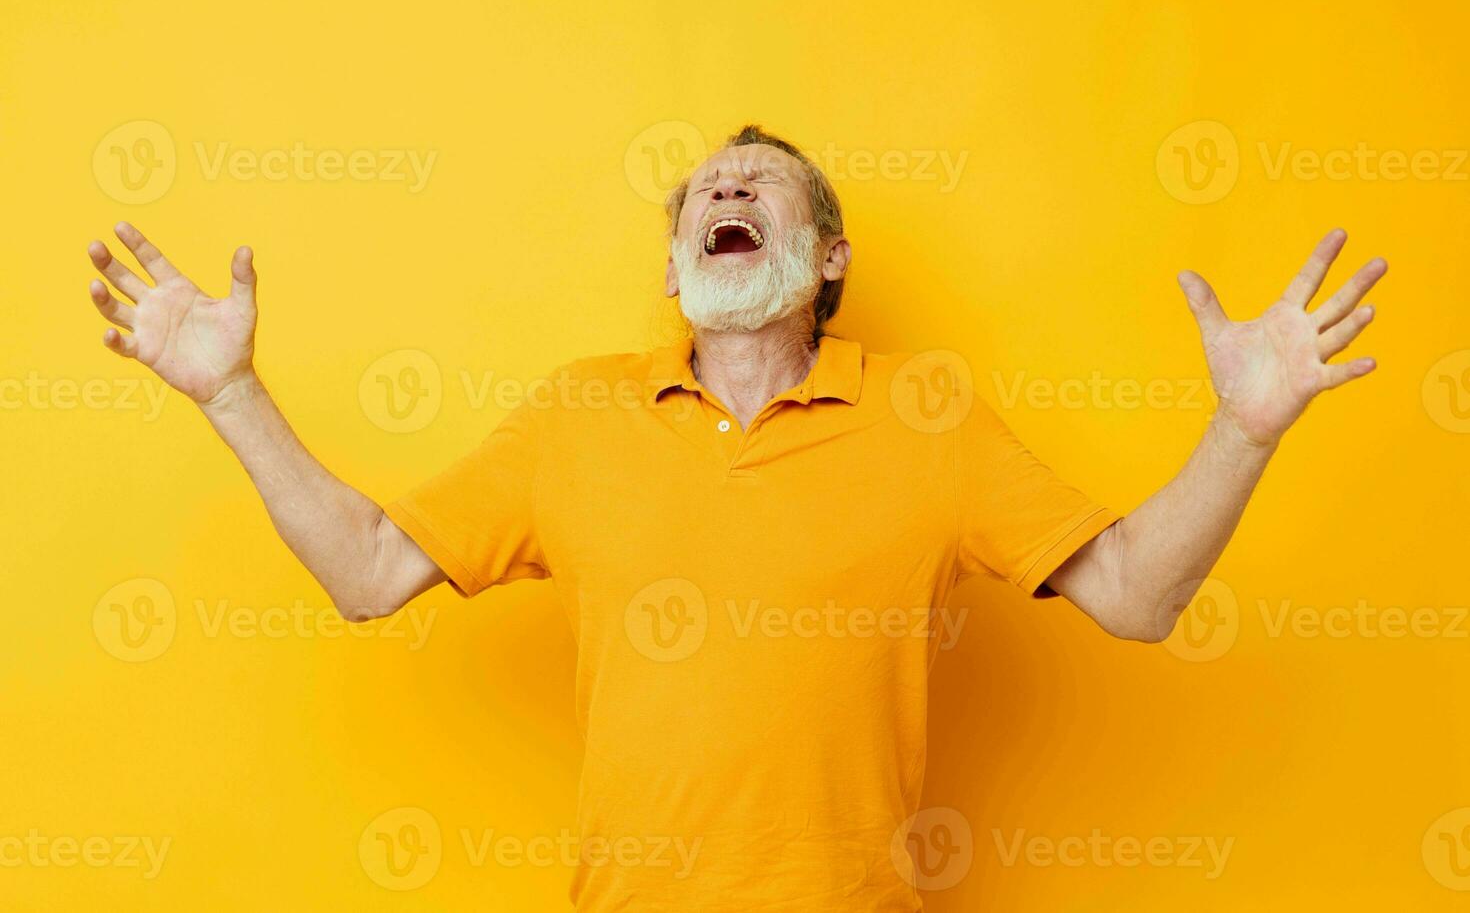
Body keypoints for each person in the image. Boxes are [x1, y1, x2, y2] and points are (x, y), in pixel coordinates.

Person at [83, 124, 1386, 911]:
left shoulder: (924, 413)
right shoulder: (575, 417)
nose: (728, 195)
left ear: (828, 257)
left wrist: (1245, 426)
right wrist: (232, 390)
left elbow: (1138, 597)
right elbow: (366, 572)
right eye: (707, 189)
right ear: (672, 265)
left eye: (763, 186)